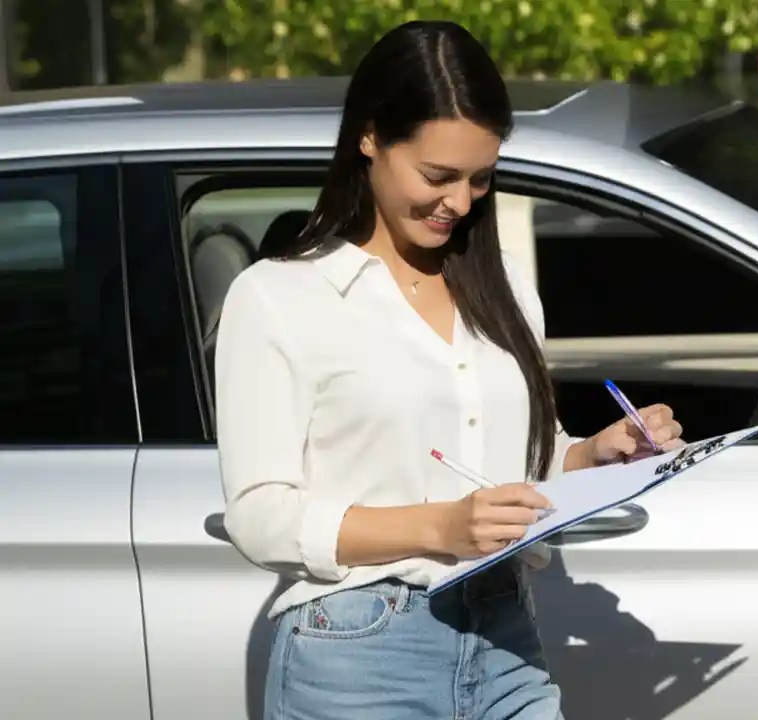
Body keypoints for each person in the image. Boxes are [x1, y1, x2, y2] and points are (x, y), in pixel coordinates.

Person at [214, 20, 685, 720]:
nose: (460, 204)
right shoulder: (279, 298)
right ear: (369, 137)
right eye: (437, 176)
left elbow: (516, 468)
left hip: (506, 639)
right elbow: (260, 515)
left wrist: (594, 454)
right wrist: (441, 528)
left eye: (480, 179)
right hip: (356, 657)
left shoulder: (506, 290)